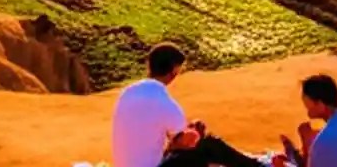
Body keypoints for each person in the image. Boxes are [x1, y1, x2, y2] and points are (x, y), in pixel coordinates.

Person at [111, 42, 264, 167]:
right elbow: (189, 143)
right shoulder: (164, 102)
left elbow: (167, 144)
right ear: (174, 70)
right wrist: (196, 132)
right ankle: (260, 166)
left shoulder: (127, 93)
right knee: (208, 145)